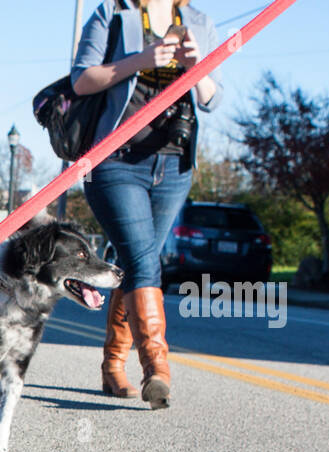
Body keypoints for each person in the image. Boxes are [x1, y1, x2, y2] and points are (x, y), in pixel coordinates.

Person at [72, 0, 221, 410]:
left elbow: (212, 97)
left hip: (173, 164)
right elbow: (82, 80)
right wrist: (138, 60)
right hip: (117, 161)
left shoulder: (198, 22)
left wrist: (198, 68)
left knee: (140, 261)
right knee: (142, 260)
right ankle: (157, 368)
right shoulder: (112, 14)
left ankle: (113, 365)